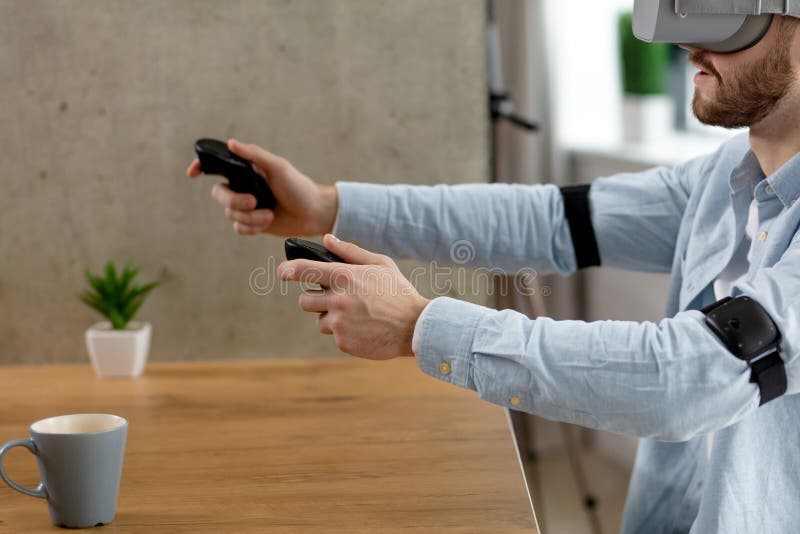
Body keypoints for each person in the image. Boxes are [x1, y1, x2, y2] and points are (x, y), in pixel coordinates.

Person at [187, 15, 800, 534]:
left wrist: (420, 325)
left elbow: (692, 375)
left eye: (724, 14)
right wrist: (329, 207)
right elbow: (549, 220)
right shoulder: (721, 178)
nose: (687, 42)